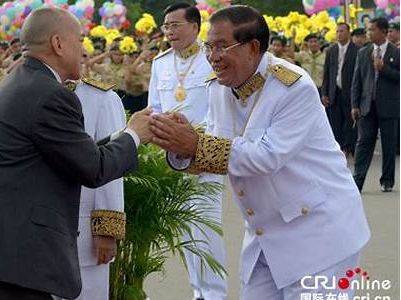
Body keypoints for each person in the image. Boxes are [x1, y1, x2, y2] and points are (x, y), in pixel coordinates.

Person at [150, 5, 370, 299]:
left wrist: (195, 144)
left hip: (318, 235)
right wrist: (177, 143)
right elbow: (211, 144)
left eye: (221, 47)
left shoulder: (293, 86)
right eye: (208, 47)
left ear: (253, 48)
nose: (212, 57)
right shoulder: (218, 88)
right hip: (265, 235)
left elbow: (265, 156)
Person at [0, 7, 153, 300]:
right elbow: (92, 168)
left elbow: (70, 152)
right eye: (79, 40)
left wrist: (120, 136)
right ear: (58, 43)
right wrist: (135, 135)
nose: (84, 50)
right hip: (11, 251)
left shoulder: (18, 82)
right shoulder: (51, 94)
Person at [148, 3, 227, 300]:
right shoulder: (161, 62)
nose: (169, 31)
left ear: (195, 27)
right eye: (166, 26)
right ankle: (199, 291)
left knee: (206, 225)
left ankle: (215, 293)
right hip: (172, 157)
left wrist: (195, 139)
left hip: (205, 154)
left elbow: (222, 108)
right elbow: (155, 107)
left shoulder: (214, 60)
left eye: (175, 25)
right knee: (183, 228)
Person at [53, 78, 126, 300]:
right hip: (40, 233)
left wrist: (106, 231)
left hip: (83, 236)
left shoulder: (100, 99)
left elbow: (111, 170)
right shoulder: (28, 91)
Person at [351, 17, 400, 193]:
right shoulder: (363, 52)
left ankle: (387, 180)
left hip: (388, 106)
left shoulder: (396, 52)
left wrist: (383, 68)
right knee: (363, 143)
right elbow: (357, 81)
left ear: (384, 31)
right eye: (369, 30)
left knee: (388, 145)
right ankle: (357, 181)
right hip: (367, 106)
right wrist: (354, 105)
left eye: (373, 30)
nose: (369, 33)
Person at [321, 22, 359, 157]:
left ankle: (347, 147)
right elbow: (326, 73)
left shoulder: (357, 50)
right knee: (335, 122)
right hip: (334, 91)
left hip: (349, 91)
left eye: (342, 31)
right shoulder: (331, 50)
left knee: (349, 122)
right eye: (337, 31)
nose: (339, 34)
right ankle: (338, 146)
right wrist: (324, 93)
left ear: (348, 33)